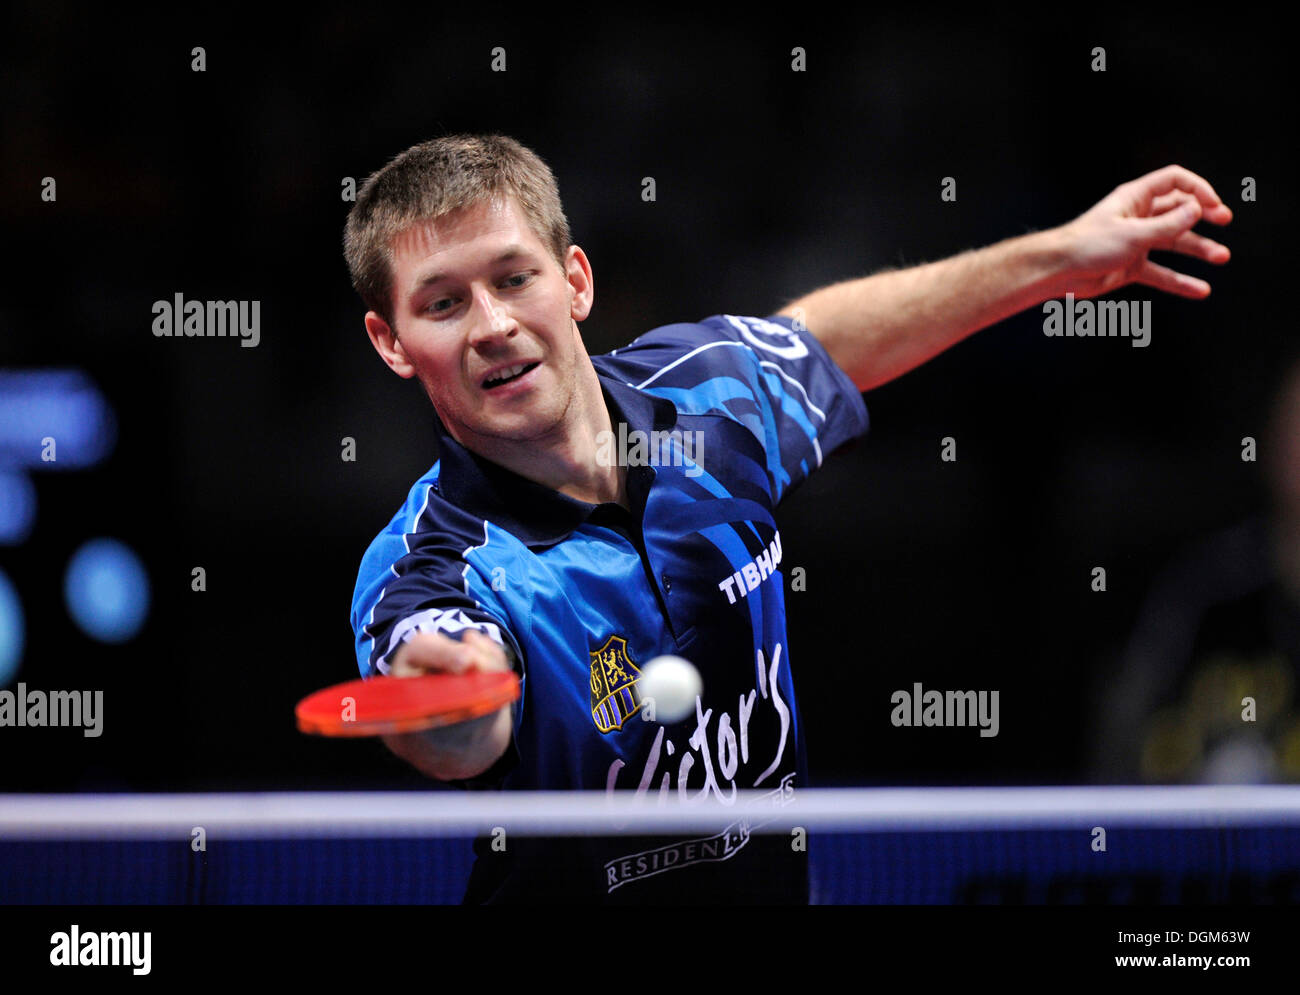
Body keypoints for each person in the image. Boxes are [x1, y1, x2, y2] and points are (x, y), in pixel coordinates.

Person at [344, 134, 1231, 903]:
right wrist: (450, 693)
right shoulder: (430, 571)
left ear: (574, 281)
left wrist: (1065, 255)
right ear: (392, 342)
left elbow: (825, 338)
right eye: (443, 302)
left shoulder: (708, 394)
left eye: (513, 277)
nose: (493, 324)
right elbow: (461, 727)